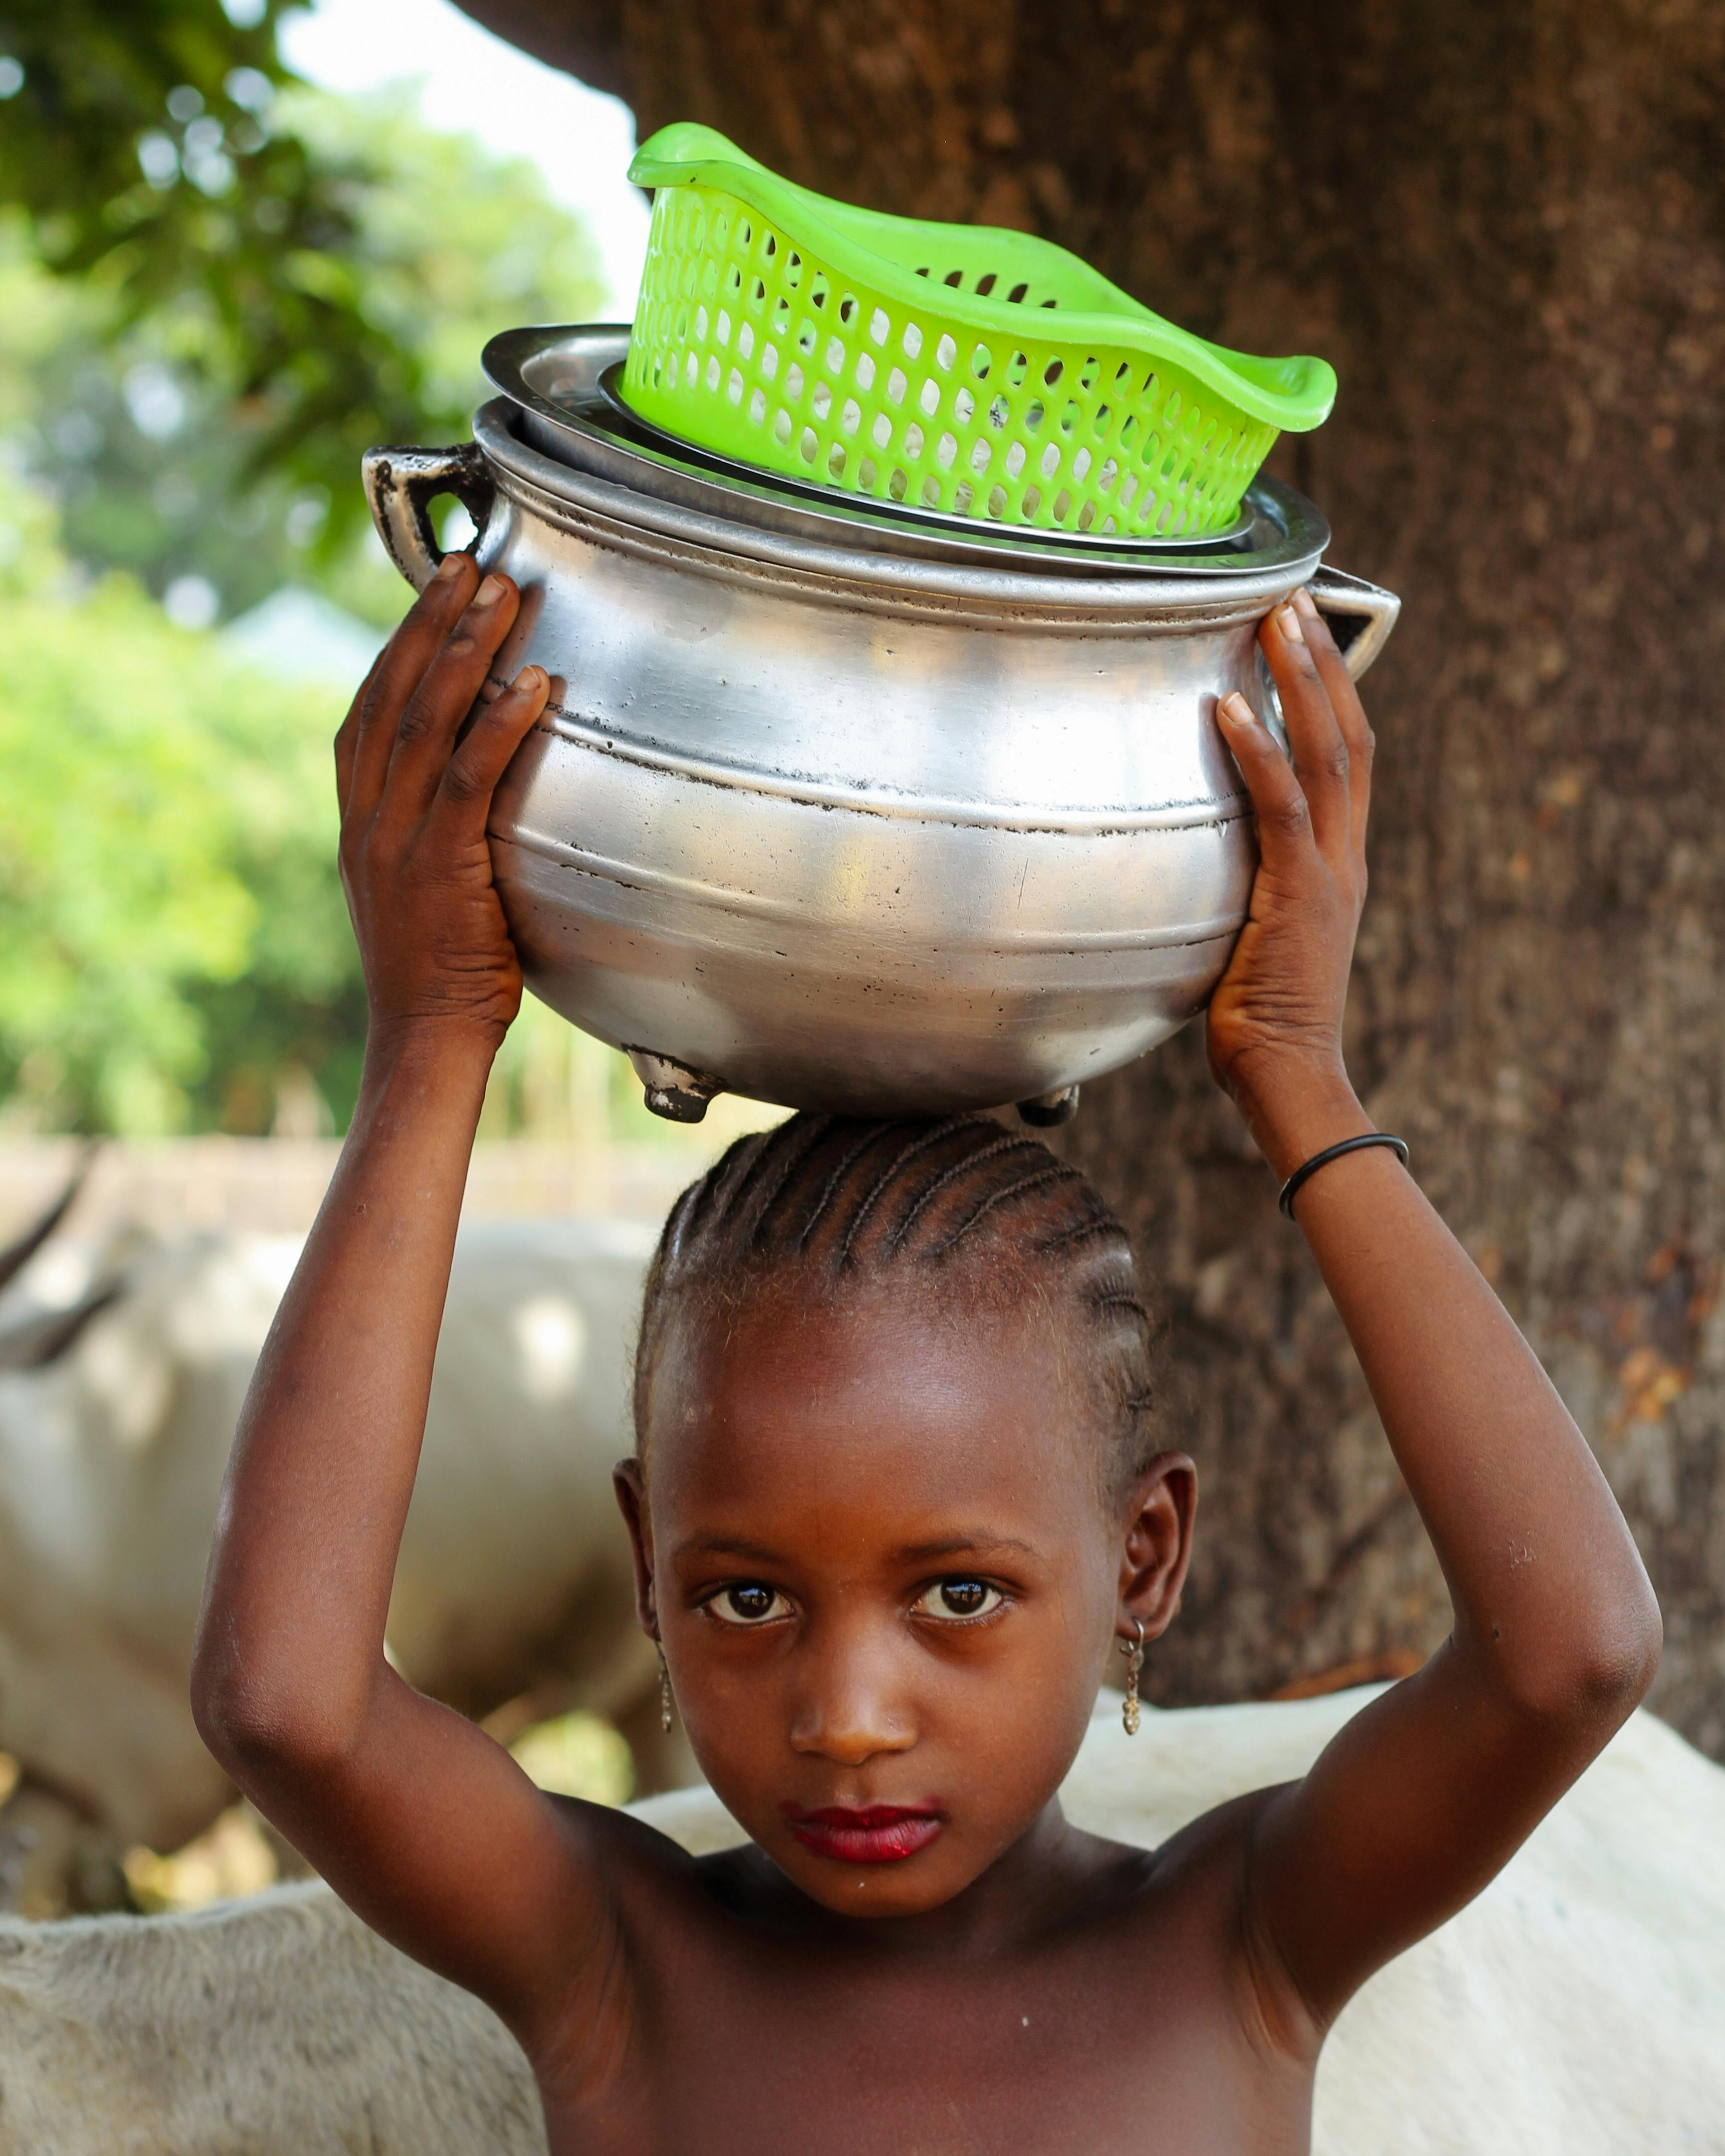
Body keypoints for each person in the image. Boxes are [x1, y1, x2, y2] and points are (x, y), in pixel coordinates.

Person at [192, 554, 1661, 2153]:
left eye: (958, 1593)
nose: (847, 1717)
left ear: (1144, 1555)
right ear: (645, 1565)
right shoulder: (622, 1968)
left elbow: (1567, 1652)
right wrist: (432, 1040)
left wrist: (1298, 1074)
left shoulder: (1240, 1945)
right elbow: (288, 1704)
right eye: (743, 1598)